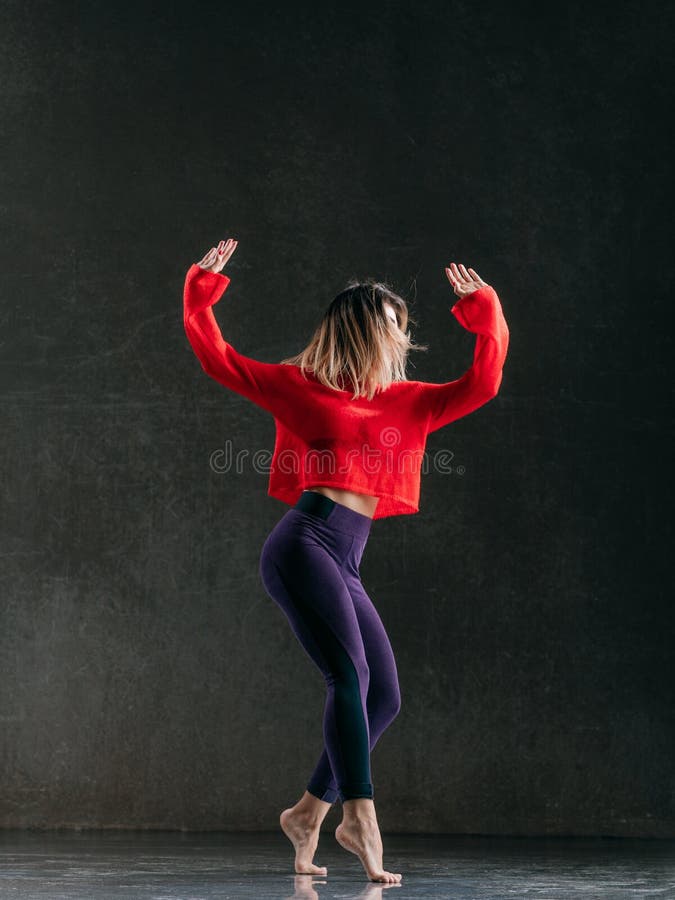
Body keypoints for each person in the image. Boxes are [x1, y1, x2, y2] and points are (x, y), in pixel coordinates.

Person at [183, 238, 510, 884]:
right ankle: (358, 815)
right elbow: (218, 358)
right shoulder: (299, 386)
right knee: (349, 675)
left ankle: (306, 813)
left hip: (346, 556)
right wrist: (199, 288)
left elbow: (484, 381)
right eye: (394, 324)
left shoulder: (410, 400)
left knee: (382, 695)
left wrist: (484, 309)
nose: (403, 336)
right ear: (362, 329)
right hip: (304, 544)